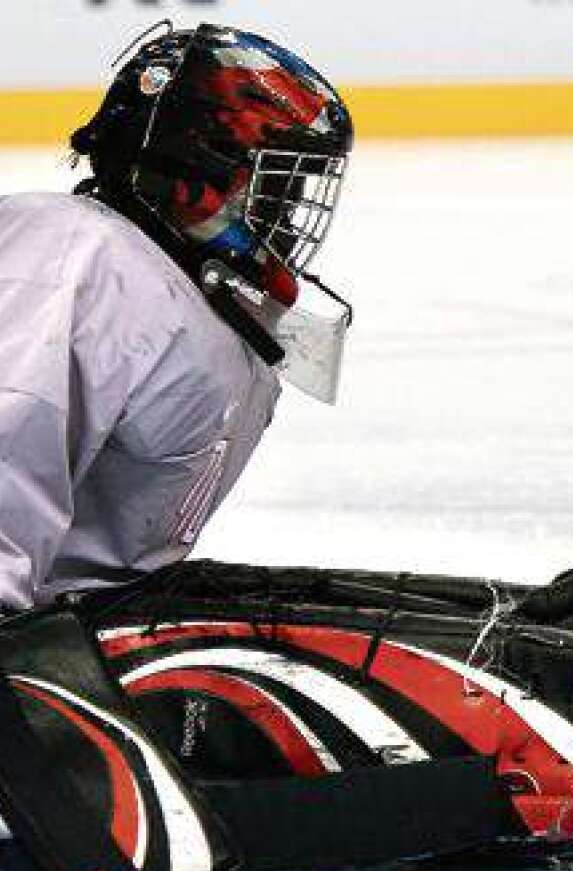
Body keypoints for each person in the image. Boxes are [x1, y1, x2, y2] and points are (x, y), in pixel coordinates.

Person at [0, 22, 353, 613]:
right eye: (274, 183)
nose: (287, 210)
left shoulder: (201, 296)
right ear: (199, 158)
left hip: (61, 642)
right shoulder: (78, 257)